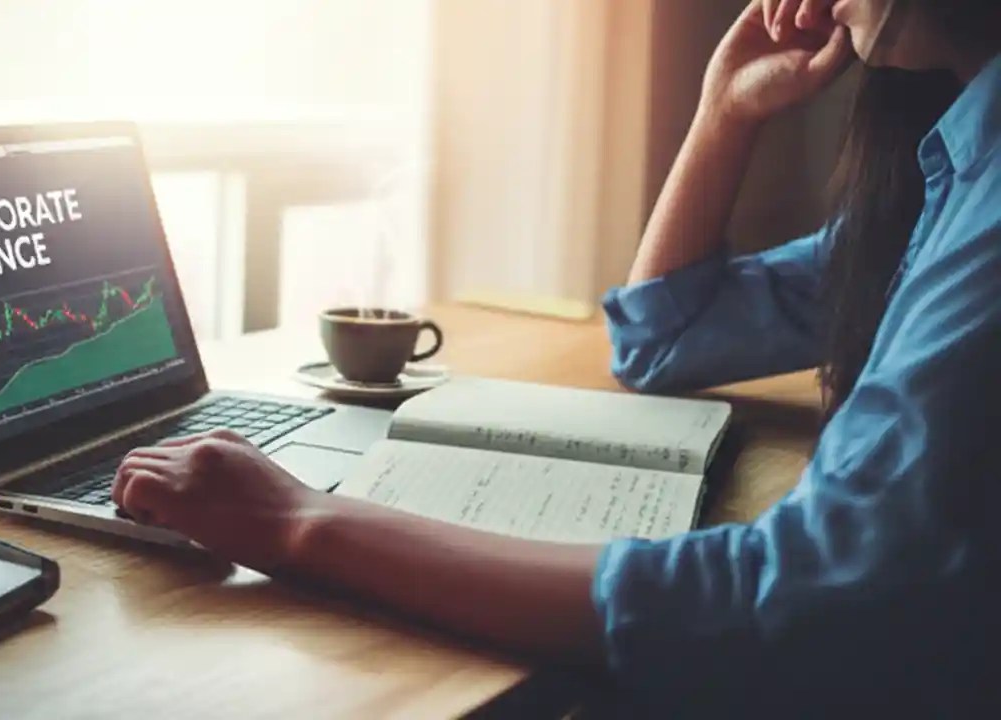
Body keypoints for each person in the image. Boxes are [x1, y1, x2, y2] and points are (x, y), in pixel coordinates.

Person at [113, 0, 1001, 715]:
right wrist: (723, 112)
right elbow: (662, 340)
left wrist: (299, 525)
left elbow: (789, 607)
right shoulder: (951, 176)